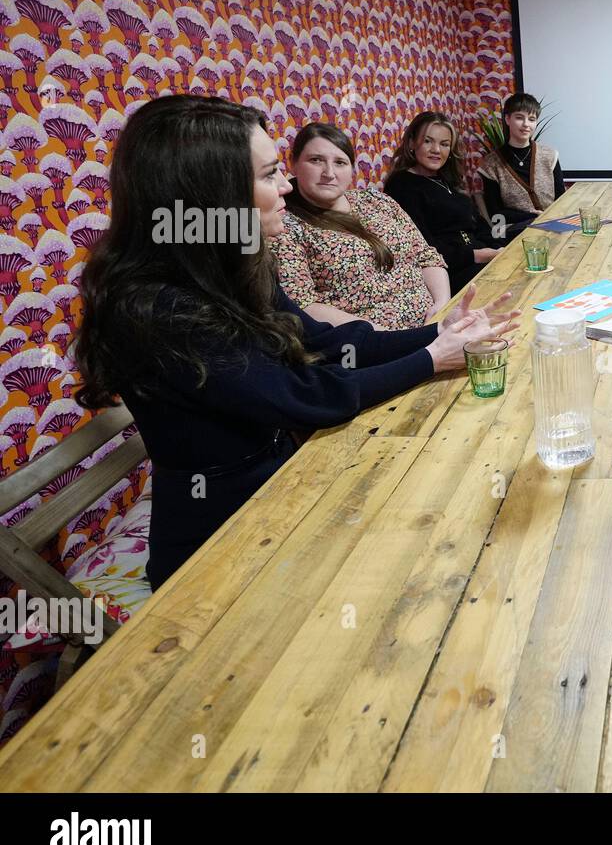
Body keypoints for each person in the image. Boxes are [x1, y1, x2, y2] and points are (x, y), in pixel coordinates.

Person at [75, 95, 519, 589]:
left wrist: (436, 333)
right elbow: (307, 395)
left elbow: (325, 341)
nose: (286, 184)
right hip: (222, 547)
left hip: (288, 483)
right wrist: (431, 359)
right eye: (269, 174)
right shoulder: (158, 309)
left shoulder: (233, 264)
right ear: (212, 194)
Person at [272, 122, 452, 330]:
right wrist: (391, 338)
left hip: (435, 322)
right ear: (293, 164)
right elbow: (303, 304)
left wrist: (442, 305)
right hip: (377, 344)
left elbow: (425, 256)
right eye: (316, 160)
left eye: (340, 162)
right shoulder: (286, 226)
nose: (329, 173)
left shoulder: (377, 201)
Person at [385, 112, 502, 295]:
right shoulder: (401, 185)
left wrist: (498, 246)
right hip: (447, 273)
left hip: (479, 254)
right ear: (411, 143)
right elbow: (421, 247)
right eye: (428, 141)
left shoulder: (446, 179)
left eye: (444, 144)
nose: (436, 150)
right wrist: (477, 255)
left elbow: (478, 223)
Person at [477, 92, 565, 231]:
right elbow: (496, 215)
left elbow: (562, 201)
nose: (526, 124)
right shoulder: (491, 164)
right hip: (515, 230)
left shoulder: (550, 155)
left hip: (554, 226)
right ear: (507, 119)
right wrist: (529, 215)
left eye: (531, 119)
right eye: (519, 118)